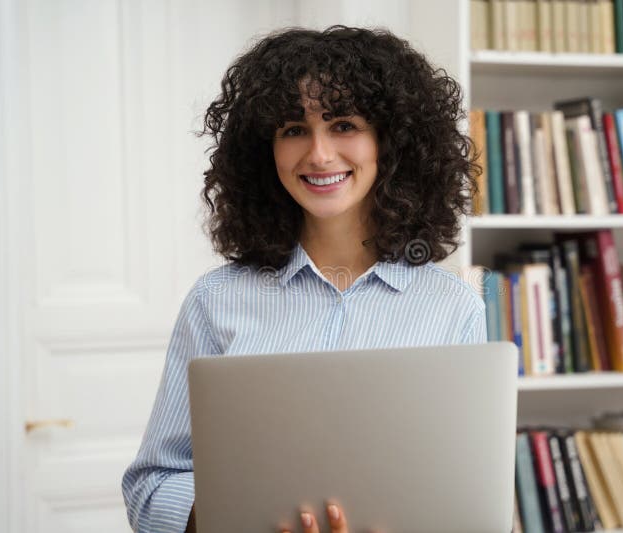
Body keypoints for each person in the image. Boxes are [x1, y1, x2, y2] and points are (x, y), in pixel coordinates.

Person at [122, 25, 487, 533]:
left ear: (391, 140)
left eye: (342, 124)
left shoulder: (453, 308)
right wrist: (238, 513)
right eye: (293, 129)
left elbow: (473, 497)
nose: (318, 153)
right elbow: (151, 488)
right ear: (263, 151)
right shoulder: (216, 301)